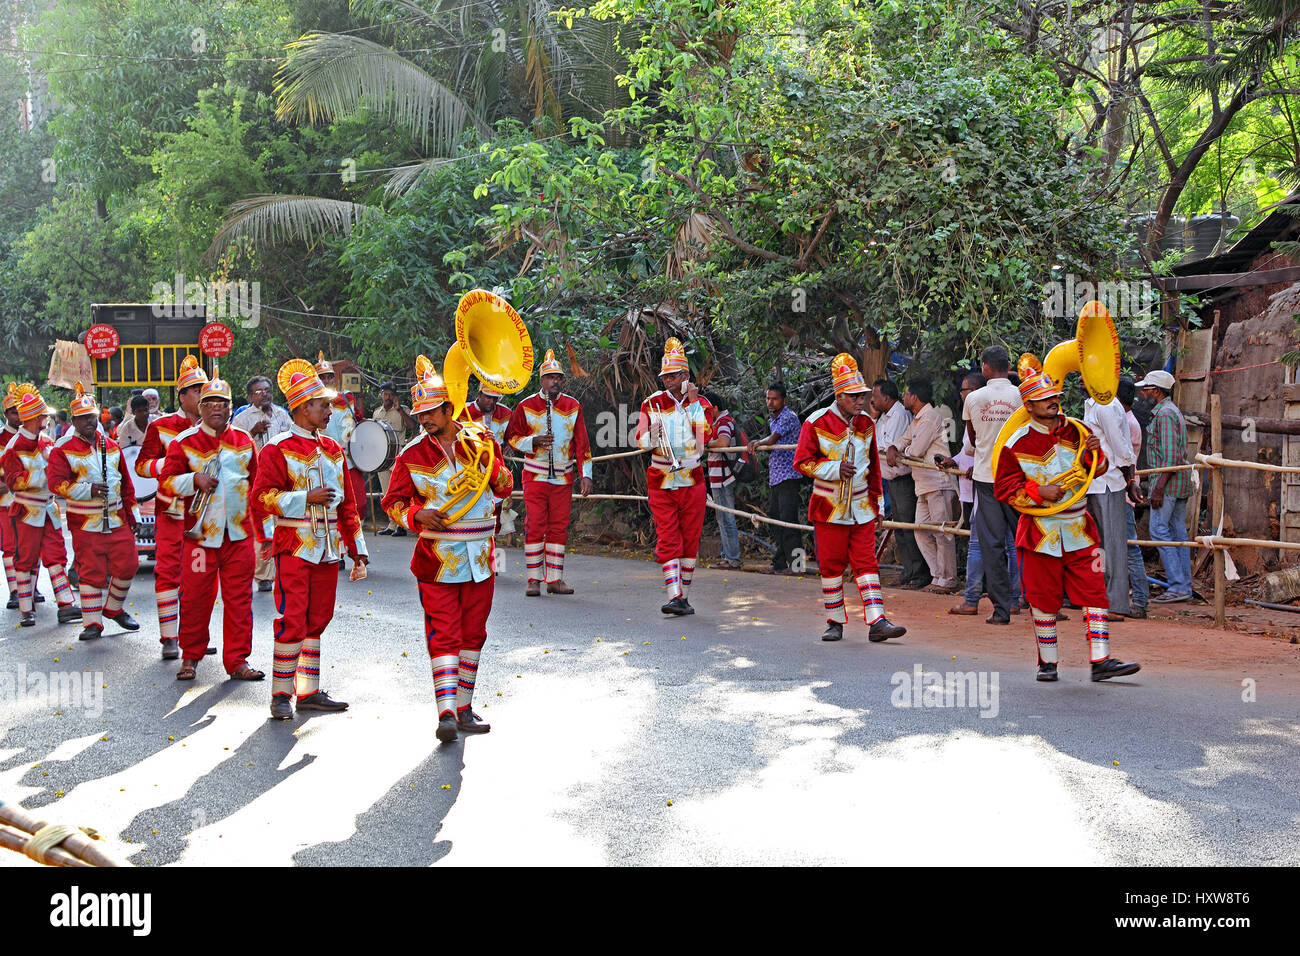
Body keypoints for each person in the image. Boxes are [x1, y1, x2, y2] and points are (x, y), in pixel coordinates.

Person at [381, 354, 513, 743]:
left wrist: (491, 465)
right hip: (436, 560)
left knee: (475, 633)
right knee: (444, 633)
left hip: (480, 557)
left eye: (431, 413)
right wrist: (418, 516)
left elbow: (503, 487)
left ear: (448, 408)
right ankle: (446, 713)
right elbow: (393, 502)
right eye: (420, 415)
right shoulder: (410, 454)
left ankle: (465, 707)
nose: (424, 421)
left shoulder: (482, 440)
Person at [993, 366, 1140, 682]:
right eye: (1044, 398)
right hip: (1039, 533)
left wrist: (1095, 454)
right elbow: (1003, 489)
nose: (1052, 402)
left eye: (1054, 397)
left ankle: (1101, 661)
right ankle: (1048, 663)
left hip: (1079, 528)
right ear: (1028, 405)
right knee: (1042, 598)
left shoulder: (1078, 431)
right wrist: (1038, 491)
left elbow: (1097, 470)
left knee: (1094, 591)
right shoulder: (1015, 443)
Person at [252, 359, 369, 720]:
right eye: (324, 405)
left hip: (329, 549)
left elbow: (348, 504)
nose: (329, 411)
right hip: (295, 546)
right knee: (294, 619)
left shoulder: (334, 448)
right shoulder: (276, 448)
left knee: (319, 617)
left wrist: (358, 551)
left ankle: (309, 691)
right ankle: (281, 695)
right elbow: (259, 497)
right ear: (304, 409)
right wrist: (304, 498)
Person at [159, 367, 264, 682]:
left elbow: (258, 490)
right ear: (200, 408)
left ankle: (237, 661)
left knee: (240, 600)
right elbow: (166, 484)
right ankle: (190, 657)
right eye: (211, 402)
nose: (218, 407)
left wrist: (265, 536)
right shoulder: (183, 442)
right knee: (195, 599)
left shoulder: (245, 442)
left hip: (239, 536)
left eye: (224, 403)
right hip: (200, 539)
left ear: (231, 408)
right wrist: (194, 479)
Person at [794, 354, 906, 643]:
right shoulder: (815, 422)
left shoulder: (867, 424)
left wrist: (878, 504)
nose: (860, 401)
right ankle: (834, 621)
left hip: (861, 507)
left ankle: (877, 620)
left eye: (862, 396)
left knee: (867, 563)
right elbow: (802, 462)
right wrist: (833, 469)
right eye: (854, 396)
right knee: (831, 565)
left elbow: (874, 468)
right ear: (839, 396)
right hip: (829, 506)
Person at [47, 383, 141, 641]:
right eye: (83, 418)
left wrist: (133, 515)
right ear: (74, 420)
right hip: (85, 522)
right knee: (91, 571)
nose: (89, 422)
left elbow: (126, 485)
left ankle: (112, 609)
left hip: (117, 518)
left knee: (129, 564)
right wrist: (86, 490)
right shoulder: (62, 448)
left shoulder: (110, 445)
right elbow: (55, 483)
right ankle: (92, 623)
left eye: (92, 416)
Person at [137, 355, 211, 660]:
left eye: (205, 389)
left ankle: (194, 638)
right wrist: (168, 465)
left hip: (205, 514)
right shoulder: (163, 426)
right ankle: (169, 636)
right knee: (167, 571)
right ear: (182, 396)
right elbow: (141, 466)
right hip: (170, 512)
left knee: (201, 575)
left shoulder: (216, 428)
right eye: (196, 390)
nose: (203, 394)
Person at [635, 338, 715, 615]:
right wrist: (650, 438)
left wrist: (692, 404)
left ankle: (684, 597)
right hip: (661, 477)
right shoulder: (651, 403)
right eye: (665, 376)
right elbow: (639, 441)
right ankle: (675, 594)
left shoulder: (702, 404)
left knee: (690, 537)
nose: (668, 381)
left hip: (692, 478)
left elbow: (704, 439)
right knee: (668, 536)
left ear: (686, 376)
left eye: (674, 376)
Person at [505, 350, 594, 596]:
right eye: (550, 377)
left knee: (559, 526)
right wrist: (532, 442)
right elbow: (512, 438)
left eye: (559, 377)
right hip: (535, 475)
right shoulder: (525, 405)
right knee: (535, 525)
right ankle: (533, 579)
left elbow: (582, 445)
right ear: (541, 380)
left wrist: (586, 475)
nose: (555, 381)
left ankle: (554, 579)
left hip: (563, 477)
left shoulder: (573, 406)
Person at [0, 384, 81, 627]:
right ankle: (26, 609)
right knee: (25, 558)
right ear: (29, 419)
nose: (45, 421)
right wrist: (46, 475)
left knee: (57, 556)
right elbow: (14, 482)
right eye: (41, 417)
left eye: (45, 416)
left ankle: (66, 604)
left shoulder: (47, 441)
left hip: (49, 510)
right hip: (26, 512)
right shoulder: (13, 446)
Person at [964, 346, 1024, 624]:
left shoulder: (974, 397)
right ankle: (1039, 602)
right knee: (1027, 541)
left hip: (988, 478)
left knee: (992, 545)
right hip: (1018, 478)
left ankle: (1001, 610)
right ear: (1008, 366)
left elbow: (973, 439)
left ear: (985, 367)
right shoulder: (1023, 395)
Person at [885, 377, 957, 593]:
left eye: (906, 394)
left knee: (942, 532)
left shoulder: (930, 417)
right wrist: (893, 447)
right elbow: (904, 440)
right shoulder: (917, 419)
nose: (904, 398)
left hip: (938, 483)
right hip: (923, 484)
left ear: (914, 397)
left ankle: (948, 579)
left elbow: (915, 450)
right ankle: (937, 575)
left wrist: (898, 451)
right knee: (921, 531)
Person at [1084, 386, 1144, 620]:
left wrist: (1130, 480)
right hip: (1097, 483)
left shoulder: (1106, 405)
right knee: (1100, 546)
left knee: (1113, 545)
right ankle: (1100, 598)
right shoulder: (1094, 404)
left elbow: (1121, 449)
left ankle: (1116, 603)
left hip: (1109, 481)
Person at [1136, 370, 1194, 602]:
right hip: (1175, 482)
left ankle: (1179, 585)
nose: (1142, 393)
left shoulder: (1165, 415)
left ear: (1156, 392)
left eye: (1146, 389)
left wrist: (1158, 488)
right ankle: (1183, 585)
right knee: (1177, 531)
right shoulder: (1170, 411)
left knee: (1159, 530)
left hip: (1168, 483)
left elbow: (1170, 458)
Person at [232, 375, 294, 593]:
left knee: (283, 525)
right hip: (257, 480)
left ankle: (282, 571)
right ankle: (263, 576)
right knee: (264, 527)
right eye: (259, 391)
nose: (265, 394)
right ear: (250, 396)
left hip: (282, 477)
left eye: (267, 390)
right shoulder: (242, 418)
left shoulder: (282, 415)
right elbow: (233, 449)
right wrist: (253, 433)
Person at [872, 378, 929, 590]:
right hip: (890, 480)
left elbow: (889, 448)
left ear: (886, 397)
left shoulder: (899, 416)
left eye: (876, 397)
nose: (873, 401)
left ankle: (919, 573)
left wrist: (882, 449)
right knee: (900, 528)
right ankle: (908, 571)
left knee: (908, 526)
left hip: (902, 479)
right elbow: (877, 445)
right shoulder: (883, 418)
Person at [747, 382, 802, 573]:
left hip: (789, 475)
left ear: (784, 400)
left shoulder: (788, 416)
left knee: (789, 522)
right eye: (768, 398)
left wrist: (756, 443)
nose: (770, 402)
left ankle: (797, 566)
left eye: (774, 398)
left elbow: (771, 440)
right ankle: (779, 564)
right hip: (777, 476)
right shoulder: (773, 419)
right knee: (776, 520)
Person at [316, 353, 366, 536]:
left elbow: (358, 423)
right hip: (326, 460)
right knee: (334, 504)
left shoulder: (347, 398)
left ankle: (356, 544)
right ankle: (341, 547)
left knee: (358, 504)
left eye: (329, 376)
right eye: (322, 377)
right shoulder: (312, 404)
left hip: (351, 459)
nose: (326, 380)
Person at [1117, 378, 1149, 617]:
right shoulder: (1128, 420)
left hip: (1122, 492)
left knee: (1130, 548)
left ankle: (1139, 600)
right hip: (1120, 490)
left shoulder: (1126, 422)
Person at [373, 381, 418, 537]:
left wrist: (399, 410)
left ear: (395, 396)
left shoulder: (403, 410)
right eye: (385, 394)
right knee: (386, 493)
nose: (387, 397)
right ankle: (392, 525)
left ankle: (401, 525)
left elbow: (413, 426)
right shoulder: (377, 412)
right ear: (381, 395)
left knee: (398, 493)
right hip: (381, 457)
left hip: (397, 457)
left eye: (390, 394)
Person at [703, 390, 741, 569]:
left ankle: (732, 558)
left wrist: (706, 444)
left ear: (715, 408)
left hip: (724, 477)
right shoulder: (721, 421)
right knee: (723, 517)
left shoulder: (724, 422)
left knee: (727, 517)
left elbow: (723, 443)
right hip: (719, 476)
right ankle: (728, 555)